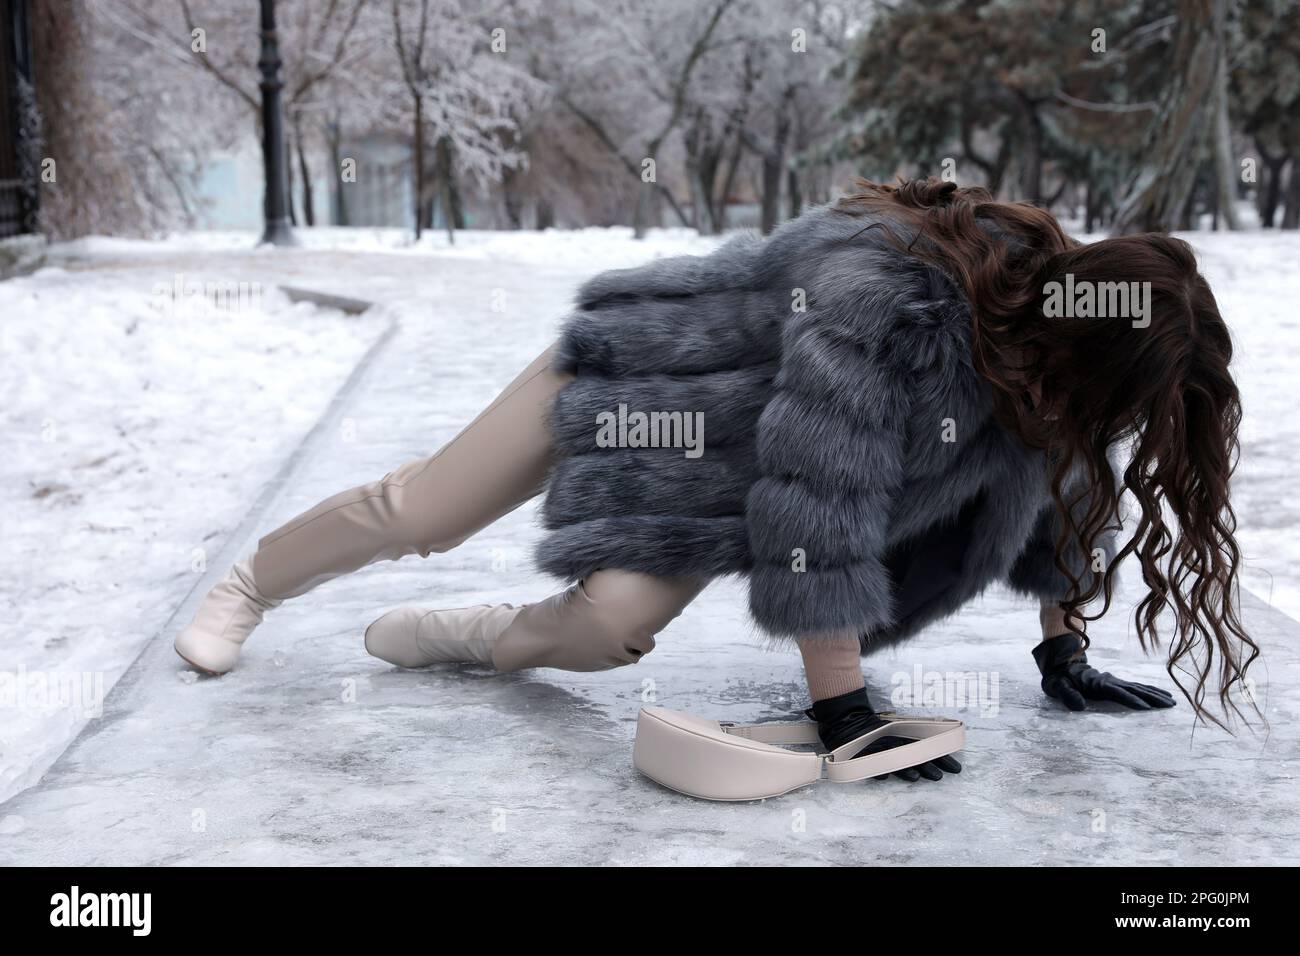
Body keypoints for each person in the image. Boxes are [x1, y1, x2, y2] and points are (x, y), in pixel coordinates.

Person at [175, 178, 1257, 783]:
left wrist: (1062, 642)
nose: (1106, 424)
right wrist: (842, 711)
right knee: (425, 508)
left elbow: (1072, 486)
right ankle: (249, 584)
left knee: (607, 630)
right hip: (647, 373)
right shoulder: (896, 301)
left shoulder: (1044, 375)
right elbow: (815, 504)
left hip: (711, 481)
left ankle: (457, 635)